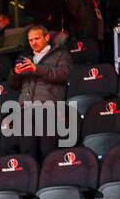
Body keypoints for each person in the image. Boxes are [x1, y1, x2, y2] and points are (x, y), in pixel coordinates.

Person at [5, 23, 72, 158]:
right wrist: (15, 73)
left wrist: (36, 69)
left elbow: (64, 74)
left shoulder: (61, 54)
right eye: (30, 40)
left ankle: (49, 177)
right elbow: (13, 85)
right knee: (27, 150)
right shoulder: (25, 58)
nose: (33, 43)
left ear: (46, 37)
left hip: (48, 107)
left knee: (48, 149)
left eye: (37, 39)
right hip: (25, 109)